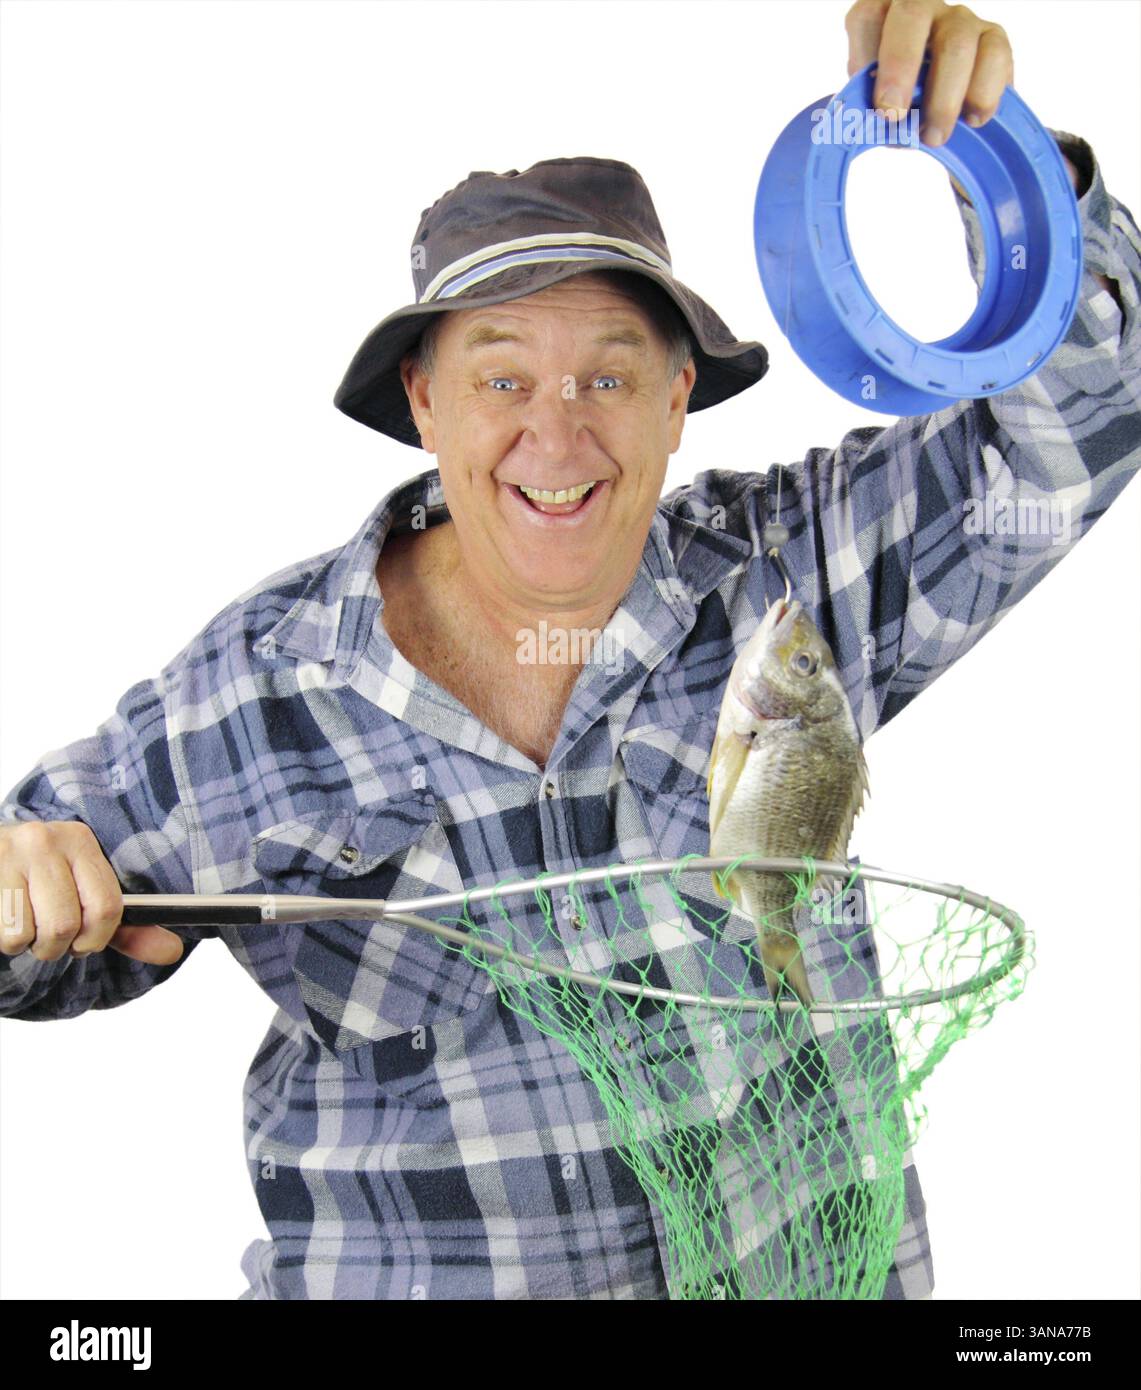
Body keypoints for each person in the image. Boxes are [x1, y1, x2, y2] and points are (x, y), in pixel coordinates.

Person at [1, 0, 1137, 1300]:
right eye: (500, 377)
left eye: (607, 375)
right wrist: (27, 898)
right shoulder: (253, 693)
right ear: (423, 403)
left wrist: (1013, 178)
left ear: (675, 402)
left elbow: (1083, 426)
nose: (556, 434)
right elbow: (29, 919)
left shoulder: (795, 572)